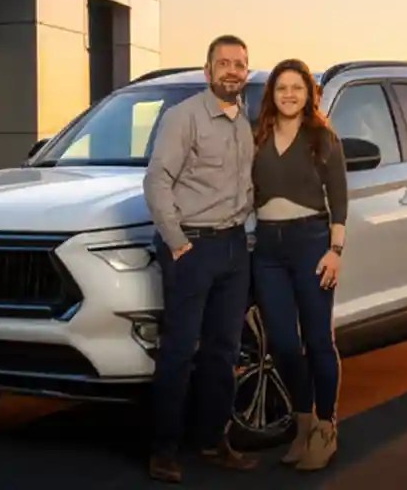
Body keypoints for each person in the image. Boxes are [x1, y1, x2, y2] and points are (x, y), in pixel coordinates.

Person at [143, 34, 259, 483]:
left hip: (233, 247)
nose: (232, 70)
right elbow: (157, 181)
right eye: (223, 63)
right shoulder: (184, 117)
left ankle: (213, 439)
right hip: (190, 246)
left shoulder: (243, 121)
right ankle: (164, 450)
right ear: (208, 69)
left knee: (223, 350)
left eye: (239, 64)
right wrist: (176, 241)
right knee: (178, 349)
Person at [249, 58, 348, 471]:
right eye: (281, 88)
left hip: (311, 243)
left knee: (318, 340)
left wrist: (335, 251)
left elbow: (339, 197)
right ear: (272, 94)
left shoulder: (321, 137)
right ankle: (302, 425)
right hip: (268, 248)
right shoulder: (258, 136)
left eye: (297, 88)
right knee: (283, 344)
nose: (289, 94)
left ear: (309, 95)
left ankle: (325, 429)